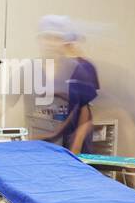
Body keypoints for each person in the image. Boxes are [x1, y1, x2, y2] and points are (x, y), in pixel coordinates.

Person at [39, 15, 100, 155]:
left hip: (73, 143)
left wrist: (75, 148)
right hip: (49, 144)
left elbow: (86, 112)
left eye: (57, 39)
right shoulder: (42, 68)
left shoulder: (83, 68)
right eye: (48, 38)